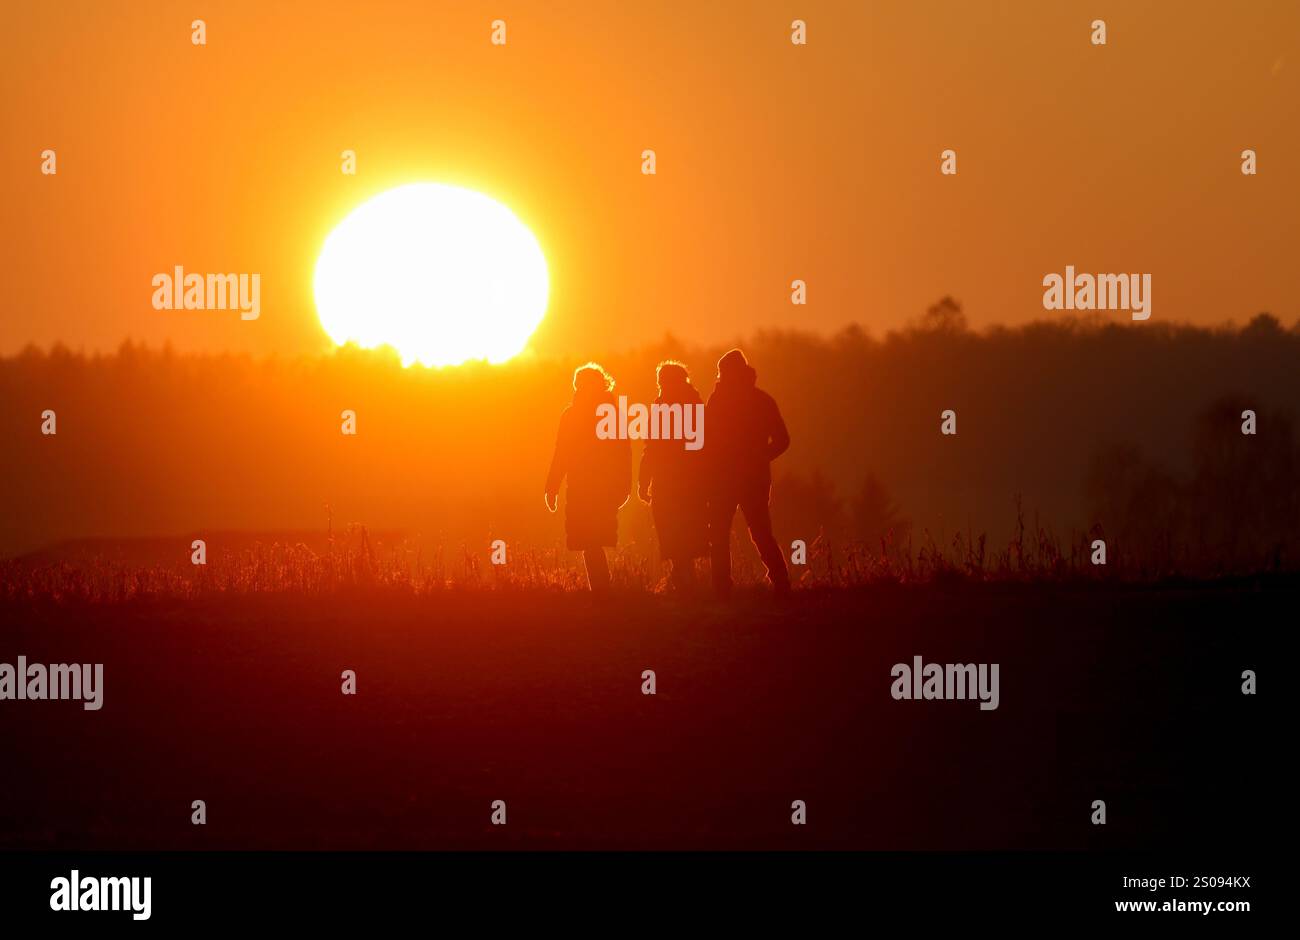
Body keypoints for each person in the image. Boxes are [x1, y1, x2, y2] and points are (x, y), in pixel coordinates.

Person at [706, 349, 791, 597]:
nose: (721, 377)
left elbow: (707, 441)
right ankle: (781, 584)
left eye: (724, 373)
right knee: (758, 532)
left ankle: (722, 590)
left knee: (723, 534)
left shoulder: (719, 401)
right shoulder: (762, 400)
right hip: (749, 478)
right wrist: (761, 457)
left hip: (728, 479)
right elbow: (782, 441)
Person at [544, 363, 632, 592]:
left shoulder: (574, 415)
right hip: (598, 489)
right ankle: (602, 591)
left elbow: (561, 453)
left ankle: (601, 592)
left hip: (586, 489)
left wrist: (552, 487)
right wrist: (624, 487)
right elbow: (624, 453)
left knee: (589, 541)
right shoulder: (609, 414)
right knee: (590, 540)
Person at [638, 361, 709, 591]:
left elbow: (651, 447)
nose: (661, 385)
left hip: (673, 480)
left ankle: (682, 578)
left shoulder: (663, 408)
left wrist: (643, 480)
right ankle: (683, 576)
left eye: (663, 381)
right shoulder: (694, 404)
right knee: (681, 527)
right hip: (689, 480)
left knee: (672, 526)